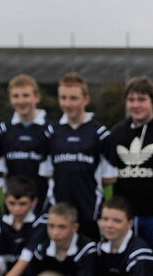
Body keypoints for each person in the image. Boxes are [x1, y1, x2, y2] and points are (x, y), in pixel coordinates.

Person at [107, 76, 153, 245]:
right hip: (125, 218)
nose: (136, 105)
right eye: (131, 100)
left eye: (142, 99)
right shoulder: (117, 132)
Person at [44, 72, 117, 240]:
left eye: (73, 98)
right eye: (63, 98)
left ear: (86, 99)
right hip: (58, 212)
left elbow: (110, 177)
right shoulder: (51, 133)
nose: (67, 104)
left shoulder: (100, 133)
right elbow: (47, 172)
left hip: (89, 211)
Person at [0, 74, 51, 214]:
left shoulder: (50, 129)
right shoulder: (4, 130)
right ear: (10, 99)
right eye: (16, 96)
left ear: (36, 97)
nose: (21, 101)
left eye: (25, 95)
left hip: (42, 203)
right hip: (13, 205)